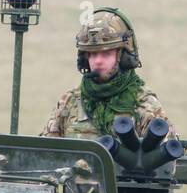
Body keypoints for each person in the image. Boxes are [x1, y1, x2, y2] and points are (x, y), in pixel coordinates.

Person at [41, 8, 173, 141]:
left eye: (106, 54)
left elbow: (166, 156)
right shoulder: (69, 102)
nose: (98, 61)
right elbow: (45, 153)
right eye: (92, 54)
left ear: (123, 56)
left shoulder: (144, 105)